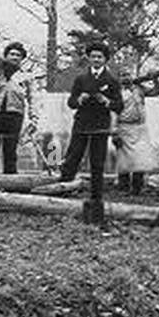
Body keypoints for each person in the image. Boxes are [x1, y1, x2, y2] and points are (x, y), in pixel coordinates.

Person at [60, 43, 124, 223]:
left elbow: (119, 106)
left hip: (100, 126)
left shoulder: (111, 80)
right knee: (73, 157)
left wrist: (106, 101)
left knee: (97, 162)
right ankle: (62, 192)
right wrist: (79, 99)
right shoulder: (81, 79)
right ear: (88, 58)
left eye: (100, 57)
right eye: (93, 56)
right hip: (81, 124)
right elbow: (71, 103)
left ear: (105, 59)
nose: (96, 60)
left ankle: (96, 198)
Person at [0, 41, 33, 175]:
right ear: (6, 56)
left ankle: (10, 185)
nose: (15, 57)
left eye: (18, 55)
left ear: (22, 59)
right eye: (12, 54)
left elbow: (33, 101)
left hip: (14, 116)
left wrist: (33, 120)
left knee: (10, 152)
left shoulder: (26, 77)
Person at [114, 74, 159, 195]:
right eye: (122, 75)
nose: (125, 78)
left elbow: (157, 92)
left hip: (140, 127)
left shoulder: (139, 88)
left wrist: (155, 78)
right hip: (124, 126)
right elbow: (112, 111)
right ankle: (123, 187)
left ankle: (137, 187)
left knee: (141, 158)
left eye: (128, 74)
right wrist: (114, 131)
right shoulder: (116, 92)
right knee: (124, 159)